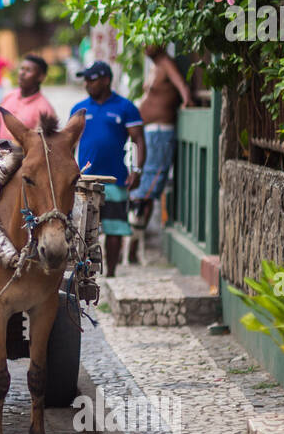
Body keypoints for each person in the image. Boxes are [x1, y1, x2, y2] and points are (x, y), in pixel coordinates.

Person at [70, 61, 145, 278]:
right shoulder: (79, 109)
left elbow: (139, 140)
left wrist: (137, 171)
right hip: (85, 179)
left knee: (115, 228)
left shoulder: (125, 107)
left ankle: (111, 273)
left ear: (105, 80)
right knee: (82, 228)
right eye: (85, 80)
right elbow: (69, 144)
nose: (87, 84)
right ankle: (84, 274)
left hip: (115, 179)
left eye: (91, 80)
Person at [129, 44, 192, 249]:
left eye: (150, 41)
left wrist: (187, 100)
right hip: (148, 132)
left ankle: (135, 240)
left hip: (160, 131)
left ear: (162, 42)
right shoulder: (154, 66)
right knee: (142, 181)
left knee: (148, 184)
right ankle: (135, 239)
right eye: (143, 41)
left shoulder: (166, 63)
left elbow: (181, 84)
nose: (145, 46)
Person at [0, 54, 57, 142]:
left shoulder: (45, 110)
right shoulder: (9, 96)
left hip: (21, 155)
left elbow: (41, 147)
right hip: (0, 153)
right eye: (22, 68)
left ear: (41, 77)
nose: (22, 73)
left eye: (28, 70)